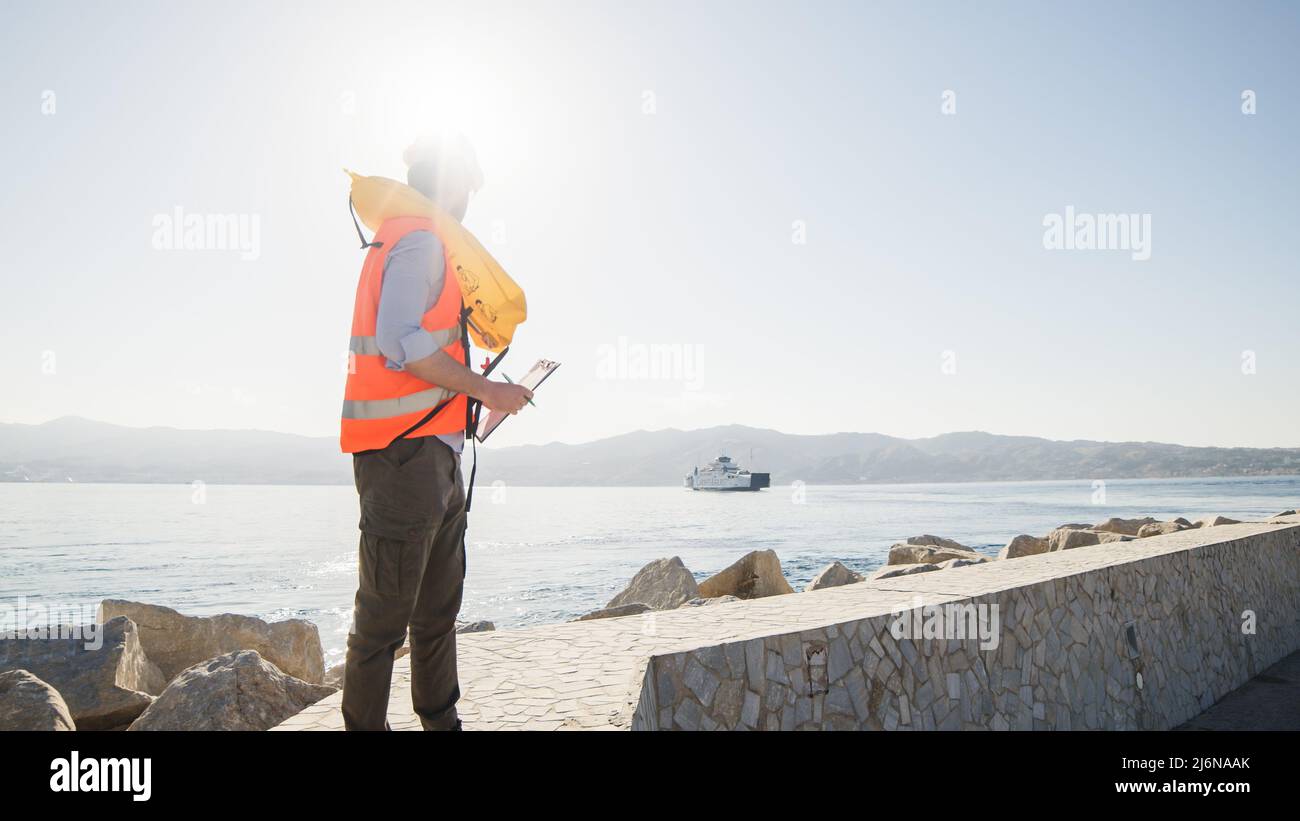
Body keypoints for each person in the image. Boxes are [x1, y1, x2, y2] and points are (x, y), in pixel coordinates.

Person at [338, 132, 532, 730]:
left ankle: (440, 722)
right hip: (406, 459)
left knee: (436, 611)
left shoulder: (417, 243)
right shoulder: (420, 242)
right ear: (449, 183)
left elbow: (423, 353)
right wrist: (489, 391)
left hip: (435, 455)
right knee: (381, 623)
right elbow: (402, 341)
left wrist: (476, 401)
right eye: (468, 186)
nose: (470, 200)